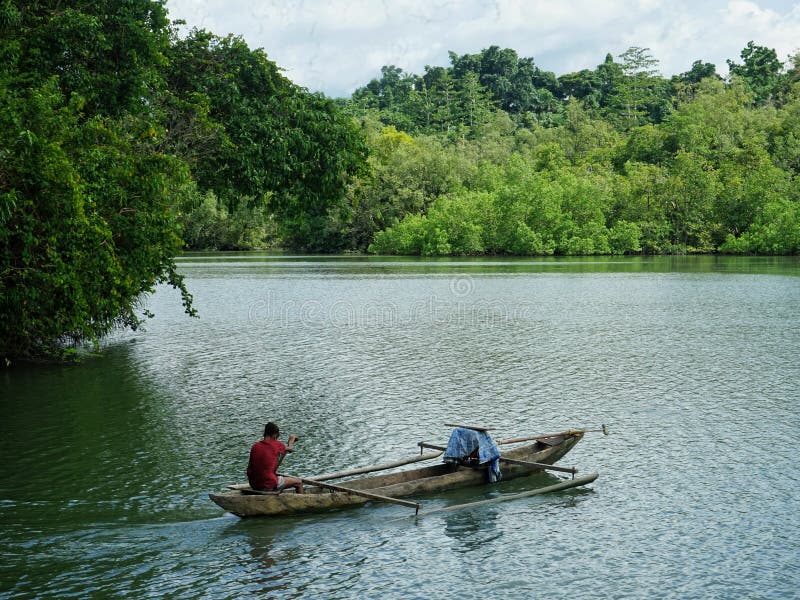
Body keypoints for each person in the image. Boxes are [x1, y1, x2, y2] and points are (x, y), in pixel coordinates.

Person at [247, 422, 303, 494]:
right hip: (268, 483)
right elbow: (289, 449)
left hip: (254, 484)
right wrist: (291, 439)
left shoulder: (254, 446)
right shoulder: (277, 444)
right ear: (275, 435)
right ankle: (307, 503)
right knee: (299, 482)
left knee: (273, 476)